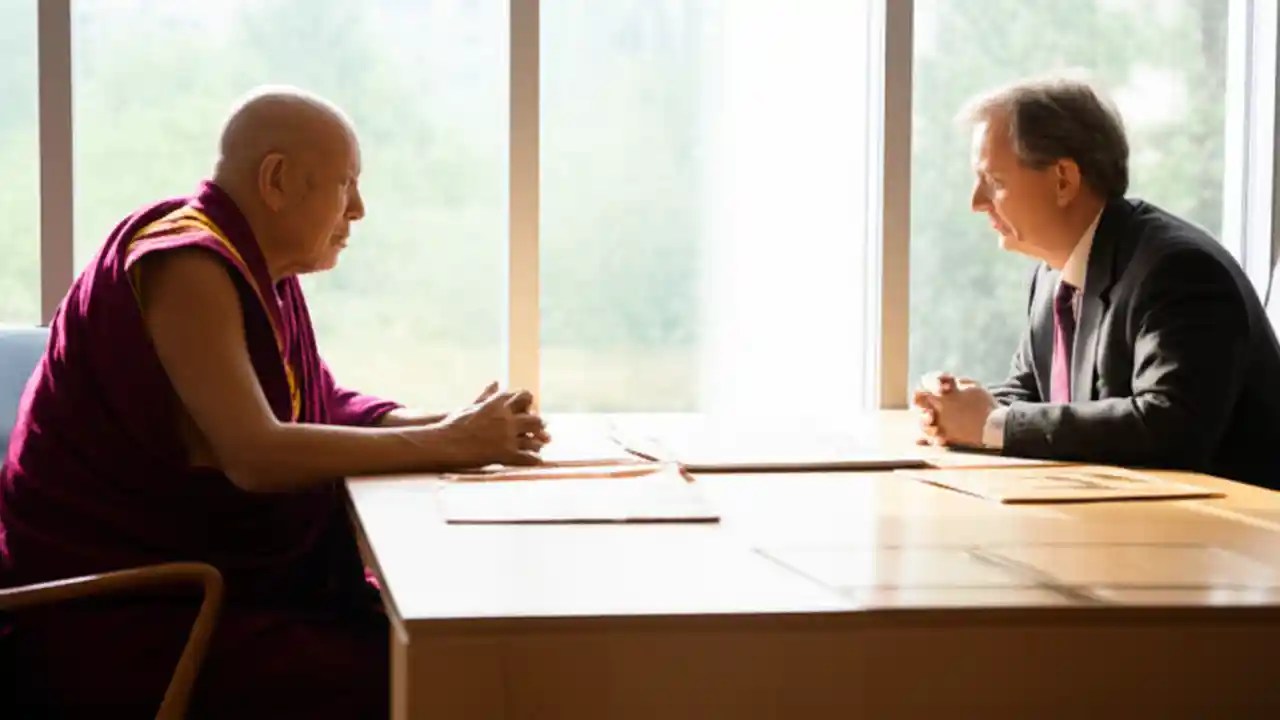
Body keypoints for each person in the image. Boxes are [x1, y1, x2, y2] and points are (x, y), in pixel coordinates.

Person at [0, 86, 549, 717]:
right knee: (420, 673)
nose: (359, 209)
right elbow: (254, 454)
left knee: (436, 640)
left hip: (202, 585)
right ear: (277, 180)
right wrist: (447, 444)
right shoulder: (185, 267)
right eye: (346, 184)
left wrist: (454, 426)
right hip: (114, 615)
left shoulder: (254, 269)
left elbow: (316, 401)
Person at [914, 76, 1280, 490]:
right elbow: (1031, 395)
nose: (976, 202)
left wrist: (992, 424)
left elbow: (1169, 426)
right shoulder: (1053, 272)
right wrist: (953, 409)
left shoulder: (1177, 270)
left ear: (1064, 180)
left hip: (1230, 525)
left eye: (995, 181)